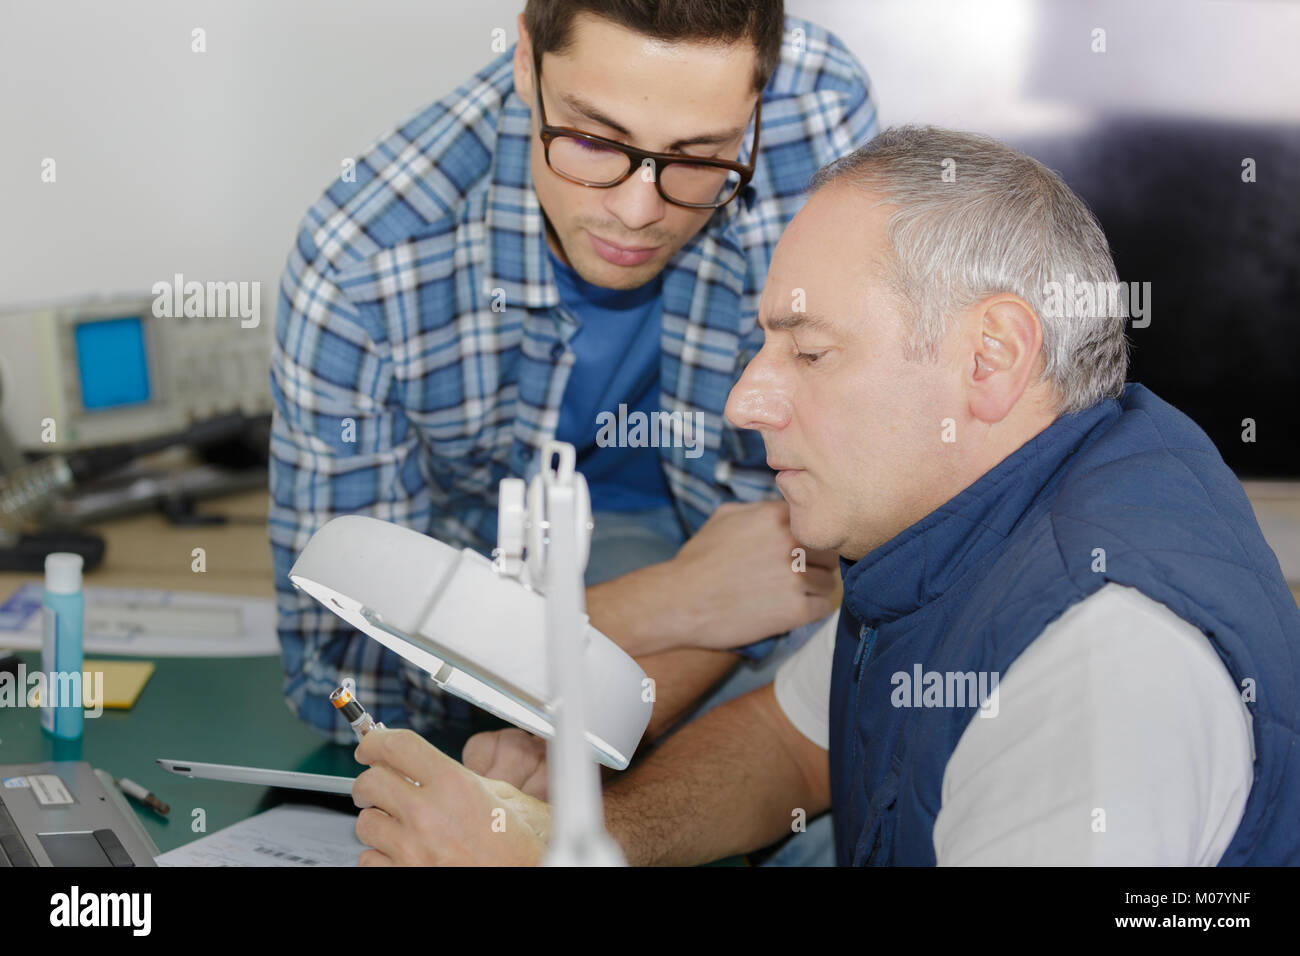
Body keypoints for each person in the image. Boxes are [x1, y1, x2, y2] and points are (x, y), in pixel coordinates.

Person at [346, 126, 1300, 866]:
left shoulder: (1099, 673)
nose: (745, 399)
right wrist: (572, 841)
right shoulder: (966, 509)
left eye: (810, 352)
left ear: (992, 358)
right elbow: (788, 746)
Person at [268, 0, 876, 784]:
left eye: (701, 155)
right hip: (516, 570)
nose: (637, 212)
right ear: (526, 58)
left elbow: (797, 559)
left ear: (757, 101)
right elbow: (337, 670)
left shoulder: (817, 106)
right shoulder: (362, 268)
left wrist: (594, 697)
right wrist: (660, 605)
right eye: (591, 140)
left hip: (733, 546)